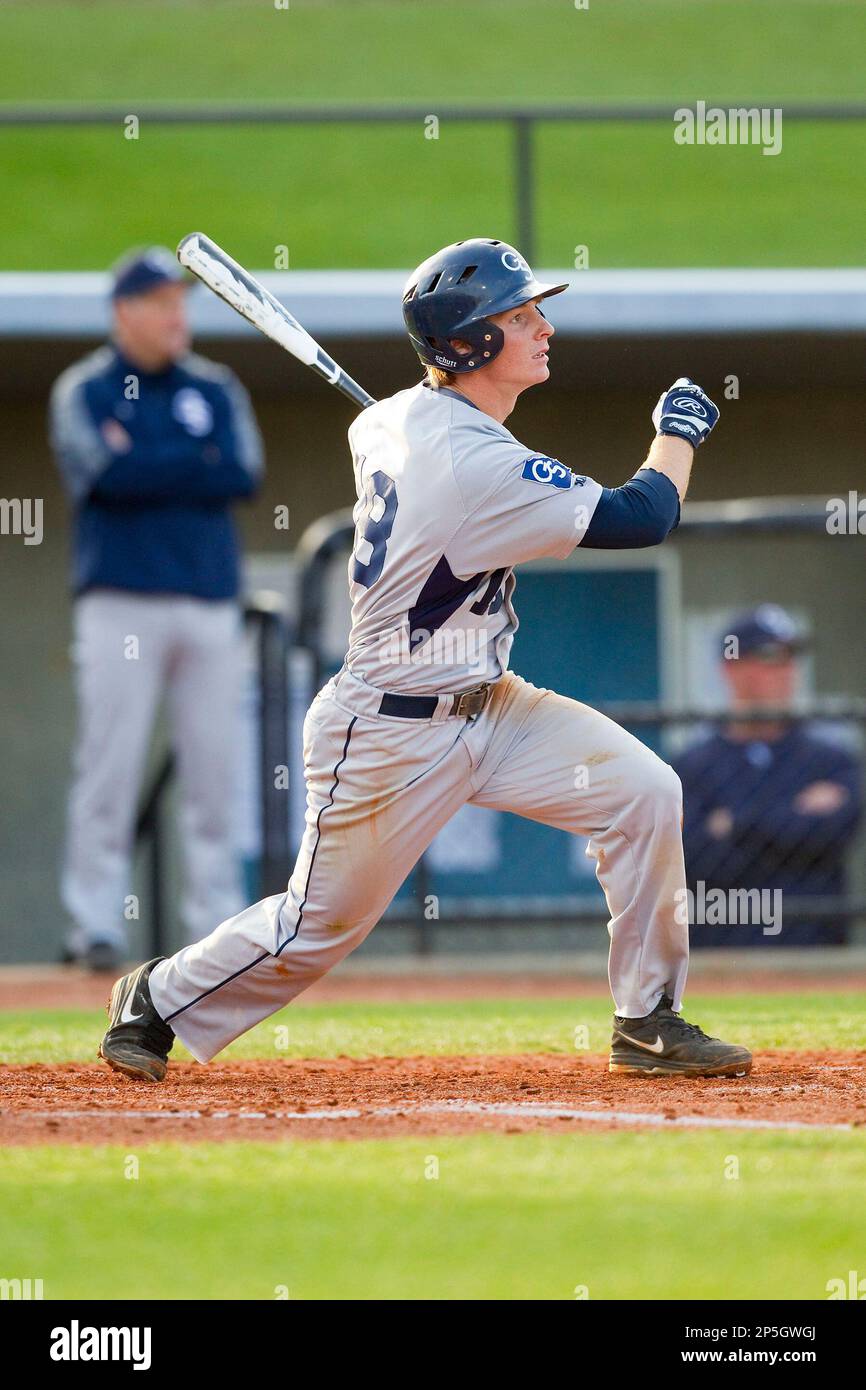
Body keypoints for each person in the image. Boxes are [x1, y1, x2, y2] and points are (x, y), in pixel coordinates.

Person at [99, 236, 751, 1080]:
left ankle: (648, 1018)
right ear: (471, 345)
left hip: (493, 703)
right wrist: (678, 432)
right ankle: (154, 996)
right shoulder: (471, 459)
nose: (544, 327)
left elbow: (410, 442)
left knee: (644, 794)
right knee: (315, 930)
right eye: (520, 318)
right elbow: (642, 514)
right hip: (389, 728)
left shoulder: (391, 421)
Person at [50, 246, 265, 971]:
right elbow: (102, 473)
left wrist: (151, 457)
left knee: (214, 773)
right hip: (120, 604)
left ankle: (217, 931)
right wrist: (189, 458)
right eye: (162, 303)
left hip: (208, 601)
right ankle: (94, 927)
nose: (179, 316)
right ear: (124, 313)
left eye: (182, 302)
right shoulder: (86, 387)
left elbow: (242, 472)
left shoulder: (216, 384)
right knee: (108, 767)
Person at [676, 604, 861, 946]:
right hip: (718, 959)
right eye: (770, 657)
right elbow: (694, 860)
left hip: (815, 956)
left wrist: (734, 824)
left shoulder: (830, 760)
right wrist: (788, 819)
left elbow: (832, 834)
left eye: (790, 658)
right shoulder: (690, 767)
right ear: (731, 668)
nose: (786, 671)